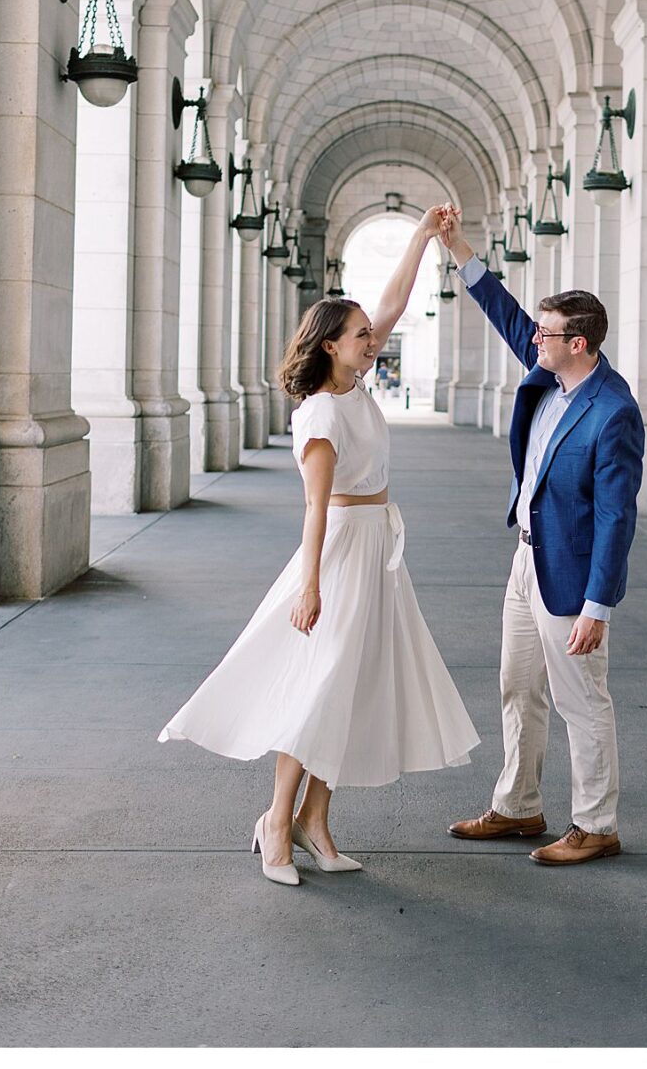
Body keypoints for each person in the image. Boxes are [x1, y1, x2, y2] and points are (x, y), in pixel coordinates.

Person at [160, 207, 480, 886]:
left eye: (371, 333)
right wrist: (310, 586)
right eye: (362, 335)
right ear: (331, 345)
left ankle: (316, 821)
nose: (375, 339)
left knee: (355, 689)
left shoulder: (355, 382)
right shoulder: (323, 412)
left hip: (377, 554)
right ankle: (277, 820)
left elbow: (391, 303)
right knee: (317, 686)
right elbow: (315, 507)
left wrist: (423, 239)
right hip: (338, 554)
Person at [430, 202, 643, 867]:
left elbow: (617, 515)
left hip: (572, 577)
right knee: (517, 686)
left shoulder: (614, 414)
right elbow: (508, 315)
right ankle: (519, 808)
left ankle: (596, 824)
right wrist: (458, 245)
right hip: (525, 560)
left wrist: (597, 605)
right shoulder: (549, 372)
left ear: (578, 343)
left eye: (547, 334)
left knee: (583, 700)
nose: (535, 340)